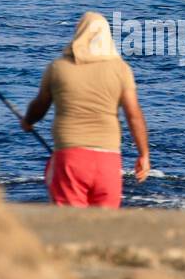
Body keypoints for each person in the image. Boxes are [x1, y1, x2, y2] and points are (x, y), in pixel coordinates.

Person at [21, 11, 150, 208]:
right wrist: (143, 154)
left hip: (70, 158)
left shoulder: (58, 68)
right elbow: (134, 116)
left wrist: (28, 121)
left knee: (71, 225)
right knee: (104, 224)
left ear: (78, 34)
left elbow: (40, 106)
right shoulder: (120, 69)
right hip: (107, 160)